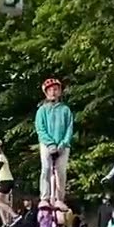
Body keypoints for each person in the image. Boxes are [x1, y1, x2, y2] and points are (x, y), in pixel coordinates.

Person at [34, 78, 73, 210]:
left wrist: (63, 144)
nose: (53, 92)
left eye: (56, 89)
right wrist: (50, 144)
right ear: (46, 93)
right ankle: (44, 198)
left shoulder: (65, 110)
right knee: (46, 169)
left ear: (60, 91)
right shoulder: (42, 110)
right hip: (46, 144)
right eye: (50, 90)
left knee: (61, 172)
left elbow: (69, 128)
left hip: (63, 144)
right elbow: (40, 129)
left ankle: (59, 199)